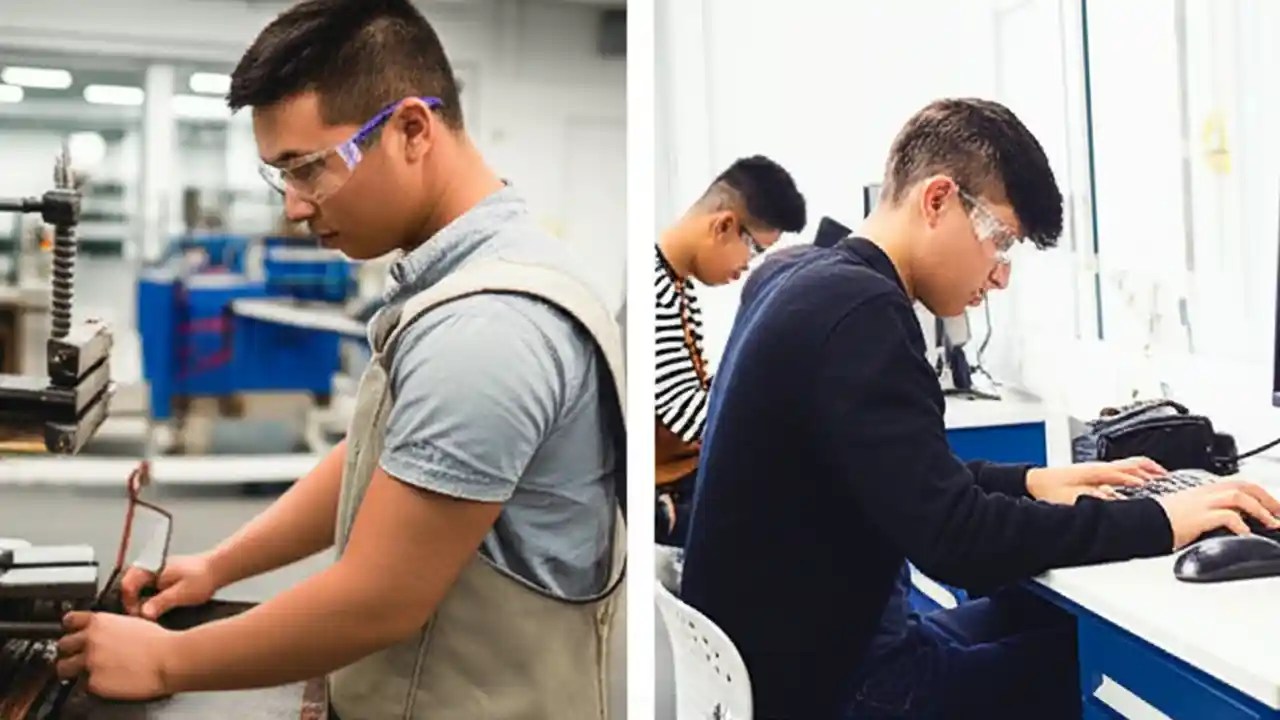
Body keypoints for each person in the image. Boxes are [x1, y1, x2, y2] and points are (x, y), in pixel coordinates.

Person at [54, 1, 626, 718]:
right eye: (280, 175)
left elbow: (378, 601)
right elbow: (385, 458)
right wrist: (219, 565)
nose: (293, 206)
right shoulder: (472, 277)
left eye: (309, 168)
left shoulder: (487, 327)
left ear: (412, 130)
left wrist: (167, 657)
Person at [678, 98, 1280, 719]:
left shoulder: (796, 277)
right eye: (1001, 240)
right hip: (841, 689)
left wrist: (1032, 482)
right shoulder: (862, 312)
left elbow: (893, 479)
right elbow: (957, 540)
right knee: (1097, 674)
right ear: (937, 200)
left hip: (788, 669)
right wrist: (1161, 519)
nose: (1000, 278)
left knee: (1039, 619)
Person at [654, 155, 805, 546]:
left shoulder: (679, 285)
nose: (748, 266)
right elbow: (687, 414)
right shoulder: (654, 290)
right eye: (754, 250)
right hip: (670, 502)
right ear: (724, 226)